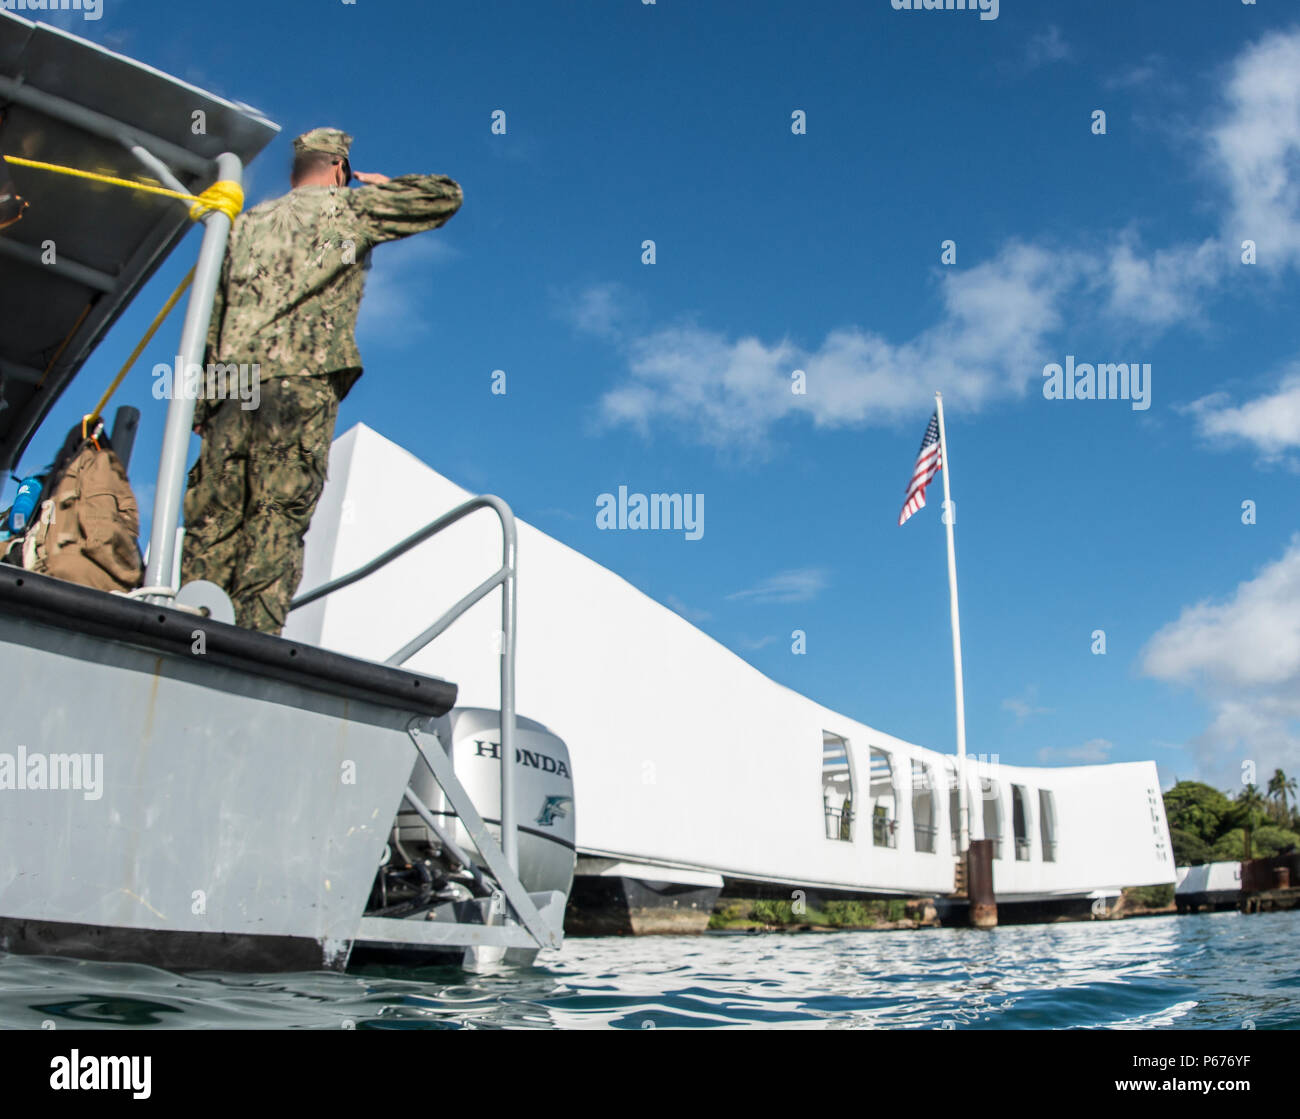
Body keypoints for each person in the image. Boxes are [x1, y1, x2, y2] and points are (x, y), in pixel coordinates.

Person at [181, 128, 462, 634]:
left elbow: (210, 313)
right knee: (276, 515)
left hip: (232, 385)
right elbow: (444, 196)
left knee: (214, 519)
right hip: (300, 379)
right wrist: (380, 185)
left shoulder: (243, 225)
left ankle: (191, 628)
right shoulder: (350, 209)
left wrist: (204, 407)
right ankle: (250, 646)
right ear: (338, 167)